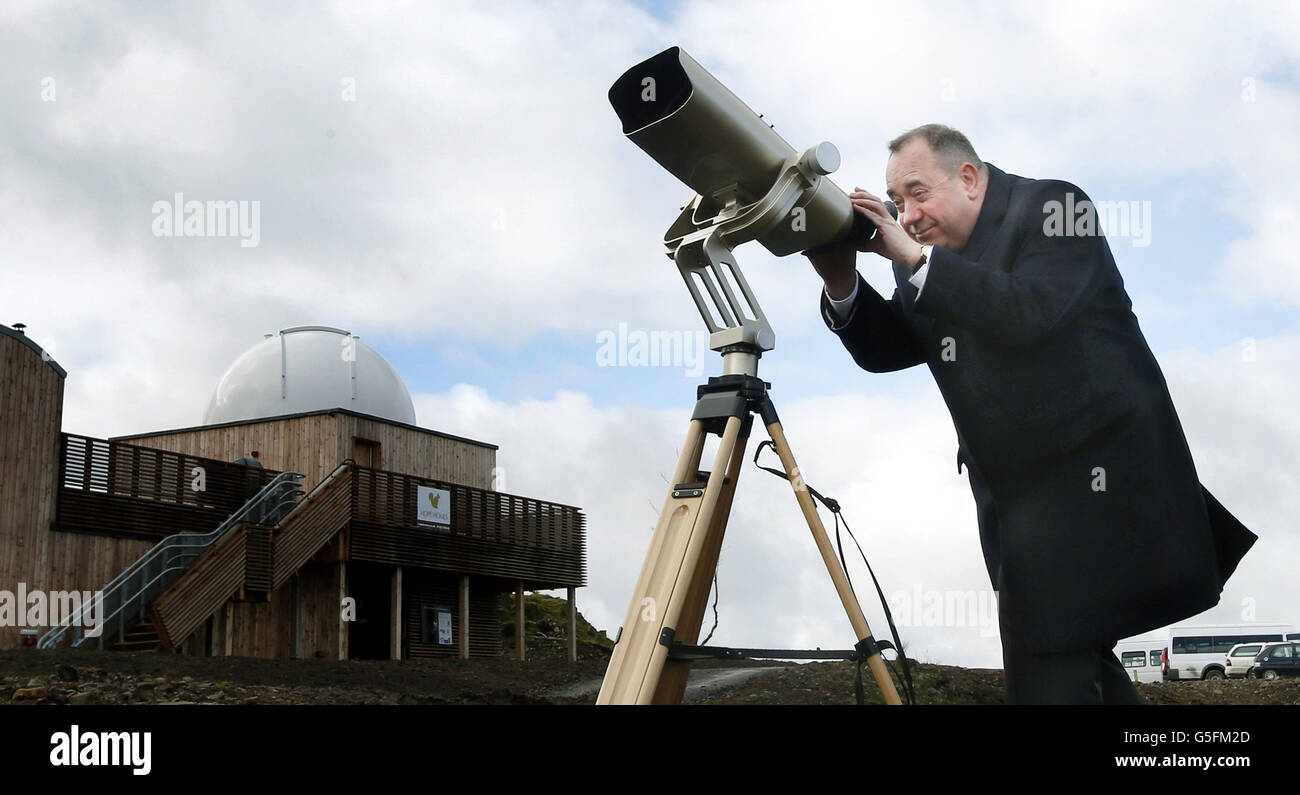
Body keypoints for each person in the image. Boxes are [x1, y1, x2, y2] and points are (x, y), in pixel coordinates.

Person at [807, 123, 1257, 704]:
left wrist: (915, 257)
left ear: (968, 178)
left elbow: (1032, 313)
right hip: (1013, 499)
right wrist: (841, 279)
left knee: (1047, 659)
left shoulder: (1054, 208)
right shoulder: (921, 258)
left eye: (918, 193)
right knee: (1075, 652)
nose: (907, 214)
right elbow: (891, 348)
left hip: (1094, 480)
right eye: (895, 203)